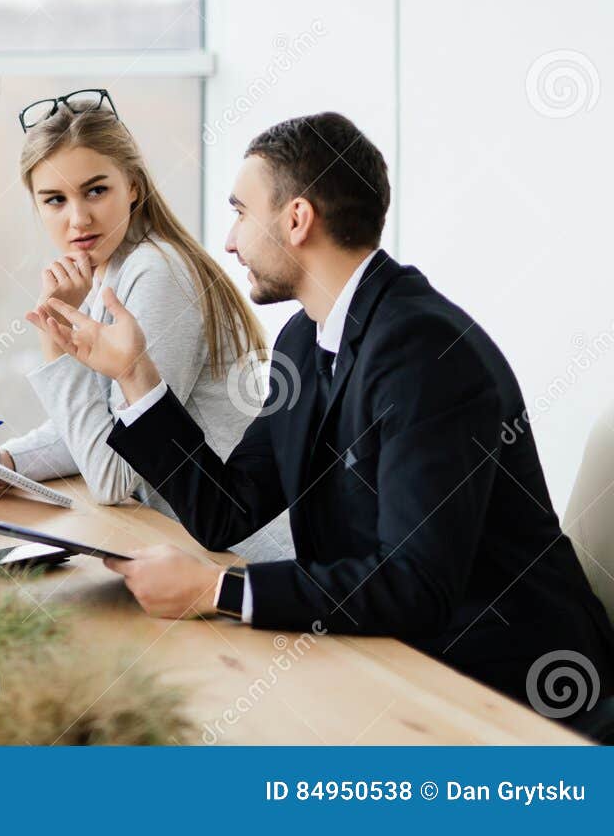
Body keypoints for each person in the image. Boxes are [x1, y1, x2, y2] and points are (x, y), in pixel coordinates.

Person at [34, 111, 614, 716]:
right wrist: (135, 373)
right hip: (392, 655)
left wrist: (218, 590)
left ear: (297, 219)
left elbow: (418, 586)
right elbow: (225, 509)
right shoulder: (304, 342)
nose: (229, 241)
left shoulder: (426, 355)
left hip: (514, 686)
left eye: (239, 213)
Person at [0, 90, 292, 561]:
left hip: (237, 561)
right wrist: (8, 463)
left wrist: (54, 343)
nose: (78, 218)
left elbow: (112, 477)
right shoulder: (112, 268)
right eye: (54, 200)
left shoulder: (157, 272)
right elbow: (110, 428)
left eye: (95, 190)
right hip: (177, 543)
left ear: (132, 185)